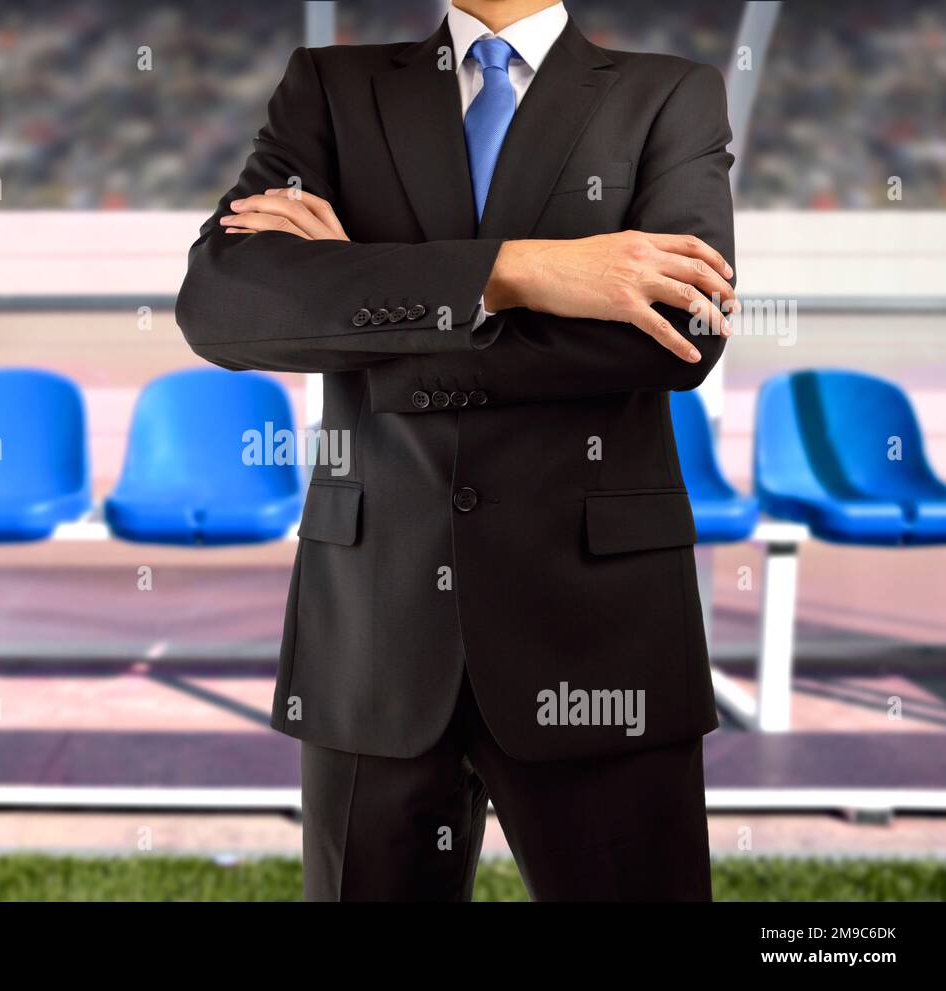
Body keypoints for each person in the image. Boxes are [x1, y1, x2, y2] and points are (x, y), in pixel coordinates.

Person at [176, 0, 736, 901]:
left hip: (596, 630)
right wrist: (521, 271)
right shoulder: (332, 87)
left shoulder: (668, 94)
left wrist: (360, 292)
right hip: (375, 629)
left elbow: (680, 332)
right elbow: (223, 304)